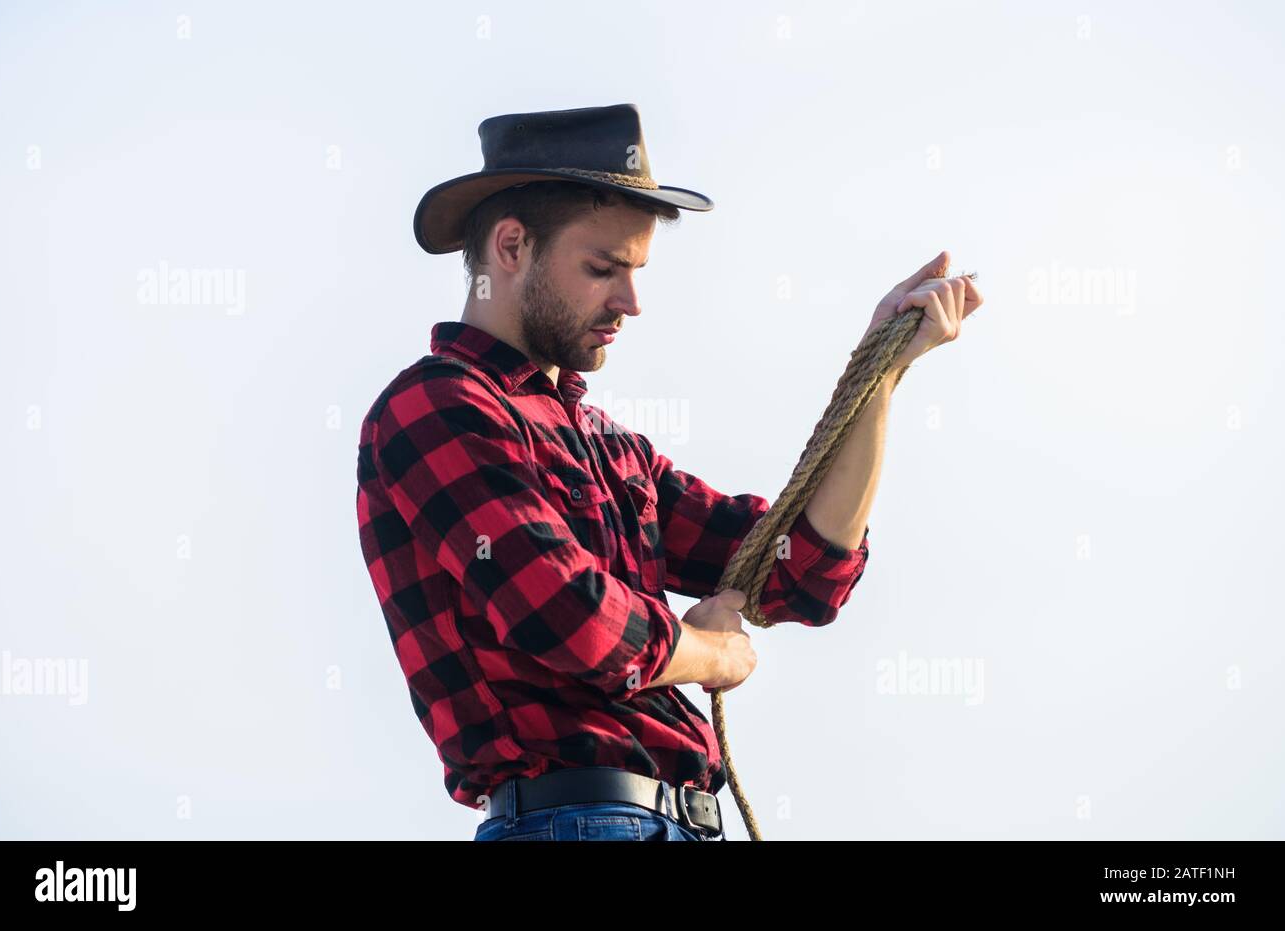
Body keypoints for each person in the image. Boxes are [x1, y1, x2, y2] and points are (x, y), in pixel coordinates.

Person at [355, 103, 983, 841]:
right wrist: (708, 651)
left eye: (636, 271)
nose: (631, 302)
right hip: (573, 820)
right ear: (513, 247)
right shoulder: (434, 408)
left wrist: (879, 376)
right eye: (602, 269)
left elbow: (799, 568)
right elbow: (564, 614)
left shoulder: (613, 449)